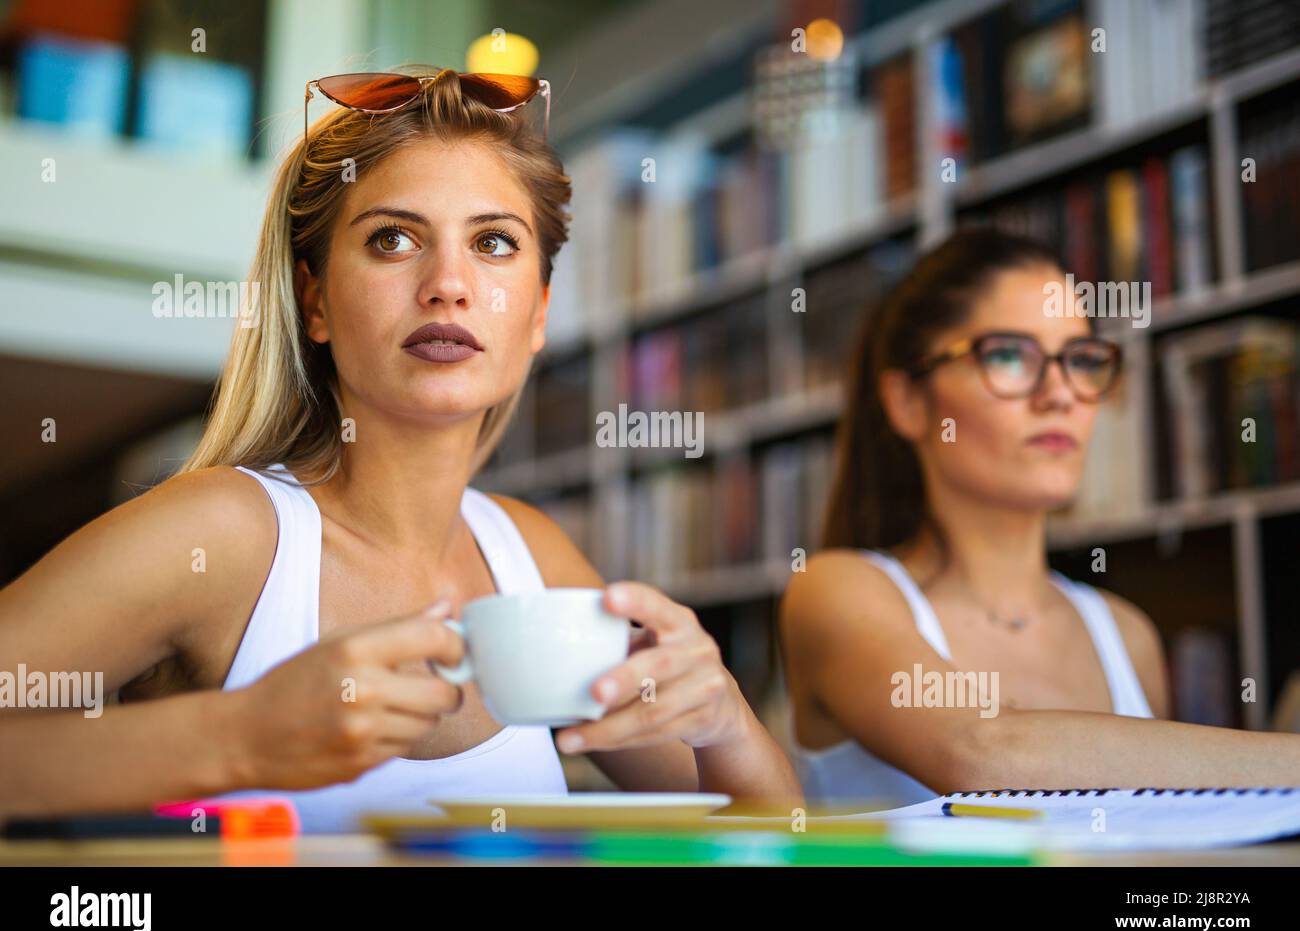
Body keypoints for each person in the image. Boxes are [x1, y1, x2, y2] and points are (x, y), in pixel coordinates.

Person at [0, 68, 801, 830]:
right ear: (314, 301)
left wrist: (722, 717)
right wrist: (235, 736)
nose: (448, 283)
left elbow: (768, 838)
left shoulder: (532, 555)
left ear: (538, 314)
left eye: (493, 244)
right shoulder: (223, 533)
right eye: (391, 239)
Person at [779, 228, 1300, 807]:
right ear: (908, 402)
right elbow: (983, 751)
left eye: (1080, 359)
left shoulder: (1126, 636)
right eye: (1008, 355)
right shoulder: (836, 591)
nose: (1060, 393)